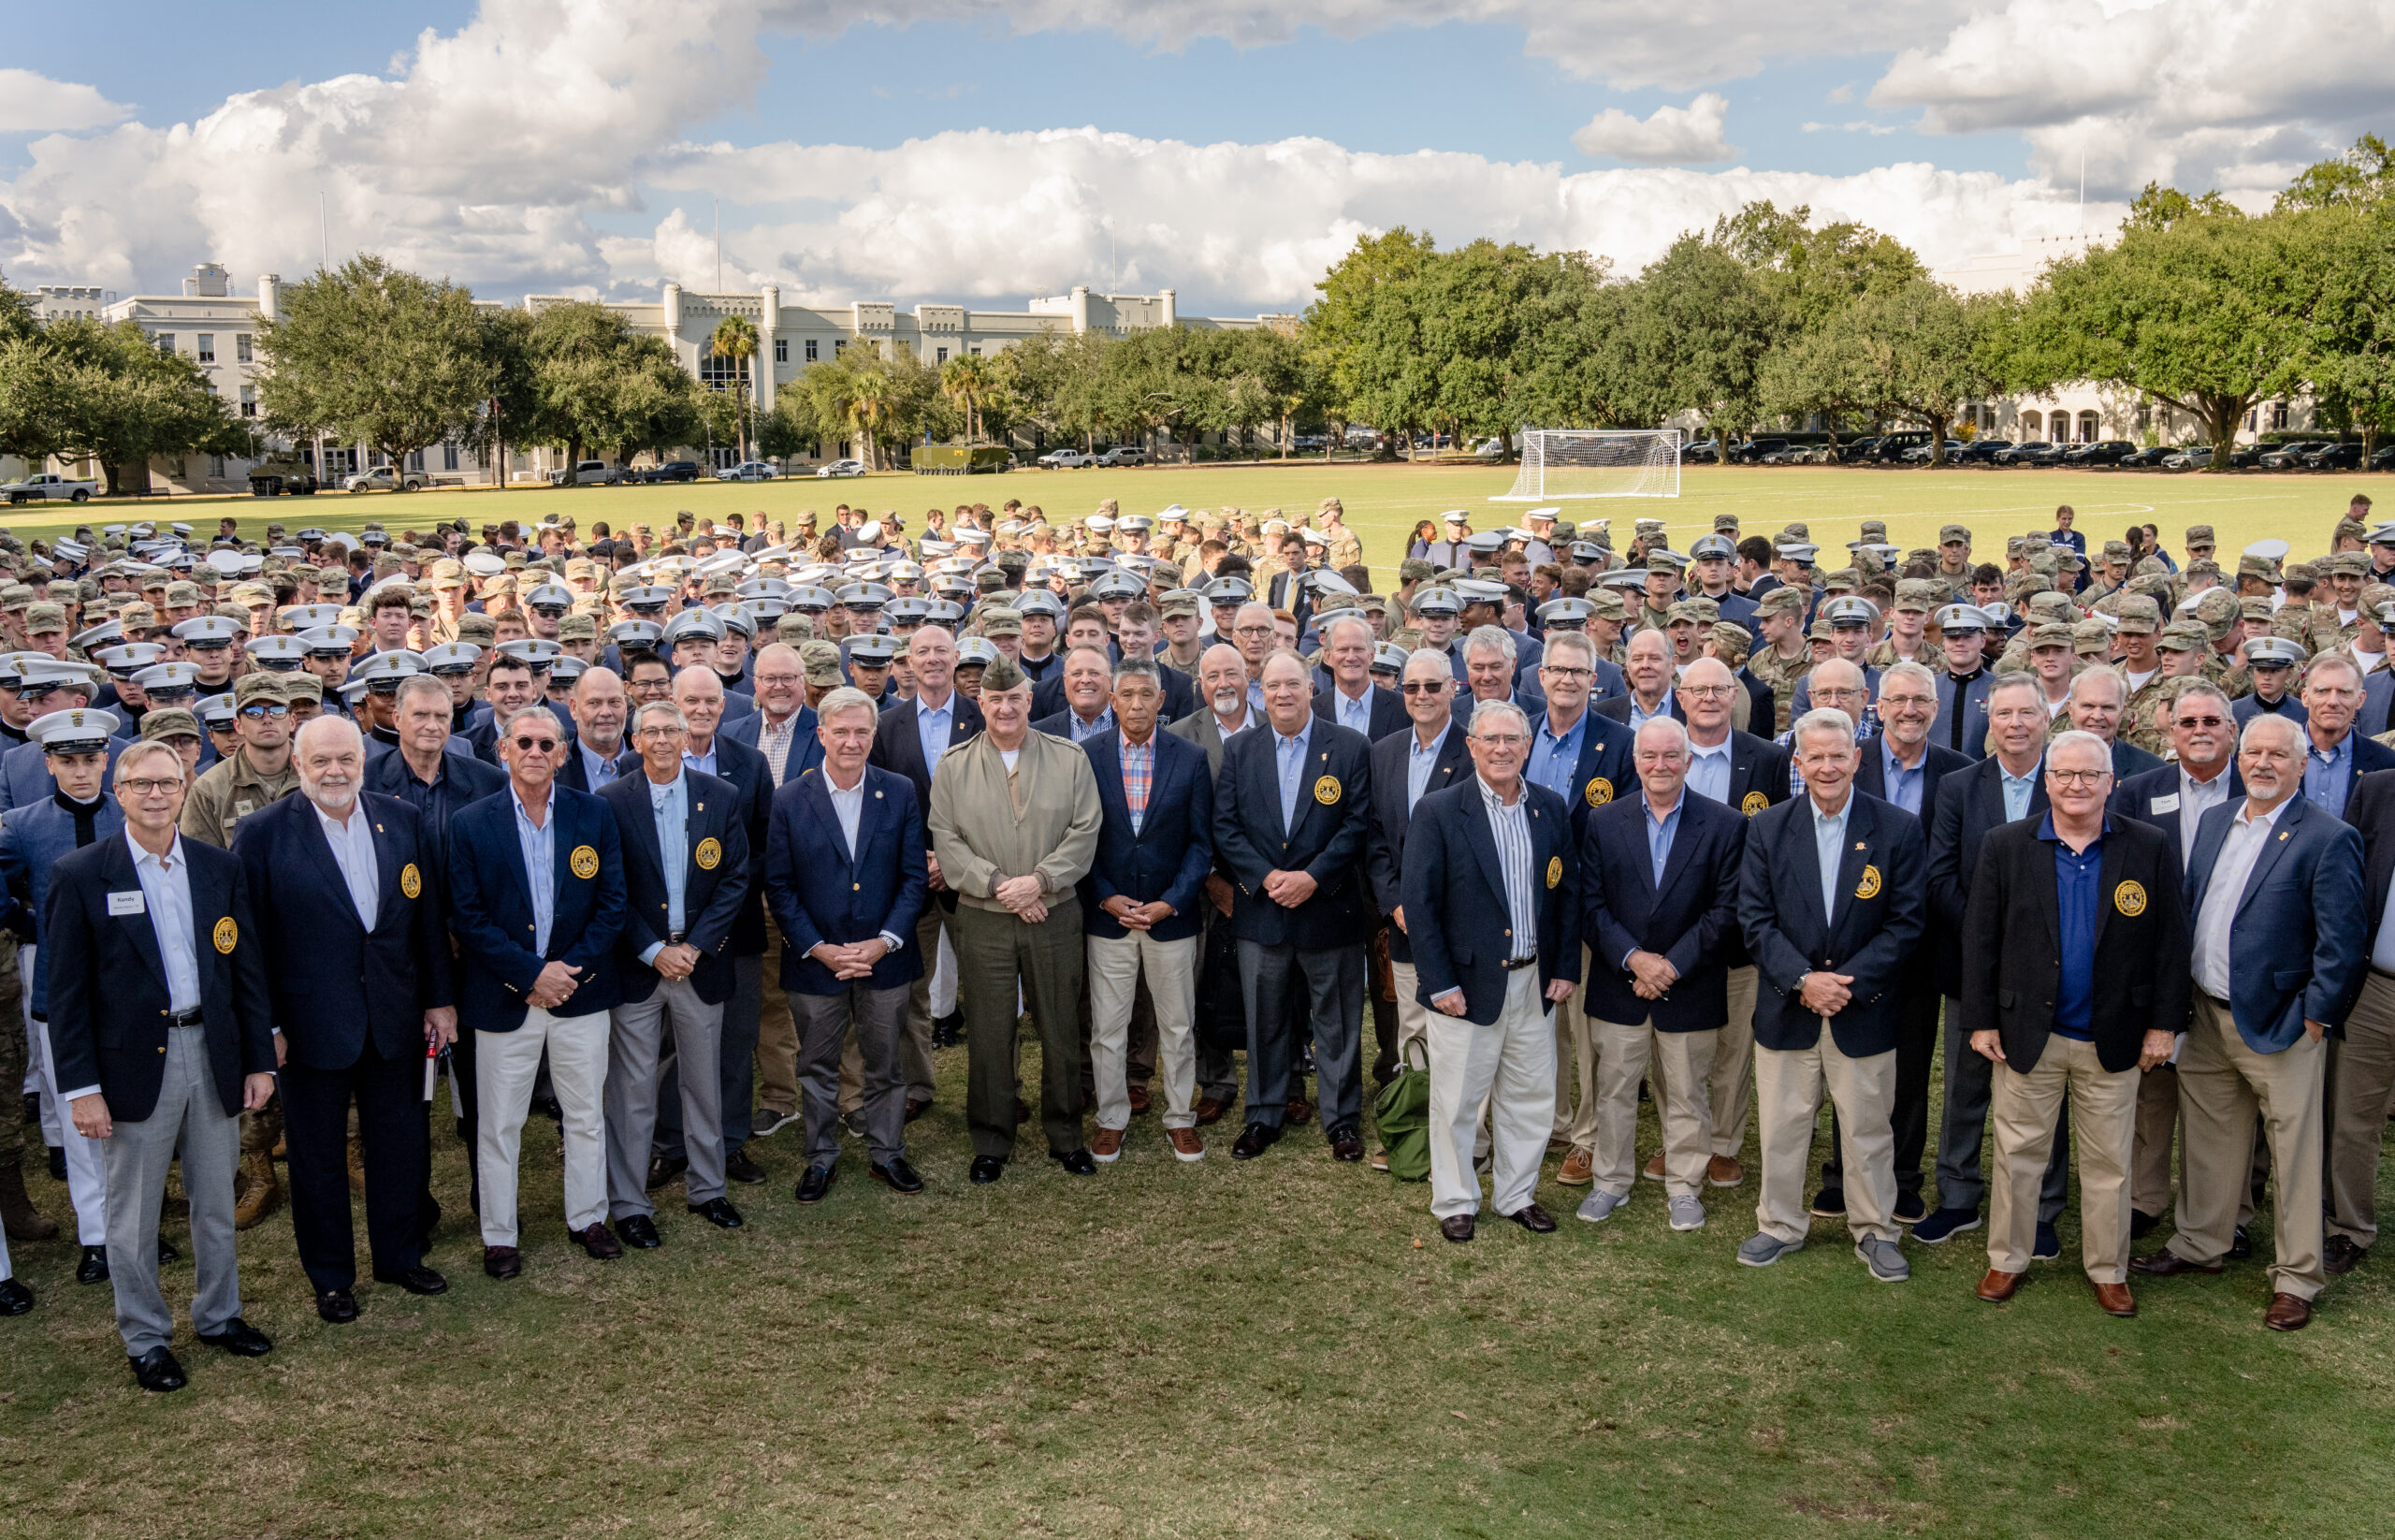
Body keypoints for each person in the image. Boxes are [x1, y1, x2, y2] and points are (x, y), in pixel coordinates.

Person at [46, 738, 276, 1391]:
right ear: (119, 793)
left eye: (166, 783)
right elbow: (65, 998)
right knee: (134, 1213)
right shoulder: (81, 874)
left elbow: (244, 971)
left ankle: (220, 1315)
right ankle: (146, 1337)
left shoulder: (215, 868)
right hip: (131, 1067)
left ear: (185, 788)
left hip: (212, 1052)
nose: (154, 794)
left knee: (214, 1198)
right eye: (140, 784)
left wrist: (258, 1059)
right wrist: (83, 1090)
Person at [2136, 713, 2366, 1331]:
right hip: (2208, 1015)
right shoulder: (2216, 822)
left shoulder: (2327, 836)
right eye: (2254, 753)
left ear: (2299, 766)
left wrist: (2317, 1016)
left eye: (2277, 755)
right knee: (2209, 1143)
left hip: (2283, 1024)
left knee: (2294, 1157)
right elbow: (2191, 912)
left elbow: (2342, 943)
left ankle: (2297, 1279)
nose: (2262, 763)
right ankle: (2200, 1245)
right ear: (2240, 759)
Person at [232, 716, 455, 1323]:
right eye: (321, 761)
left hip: (394, 1020)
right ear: (299, 765)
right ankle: (331, 1277)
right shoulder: (262, 834)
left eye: (346, 760)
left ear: (363, 761)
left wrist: (439, 999)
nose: (335, 771)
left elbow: (427, 920)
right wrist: (267, 1026)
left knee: (399, 1147)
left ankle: (399, 1255)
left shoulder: (401, 820)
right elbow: (249, 946)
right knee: (318, 1159)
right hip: (309, 1029)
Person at [1962, 730, 2189, 1315]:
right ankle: (2006, 1259)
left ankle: (2108, 1270)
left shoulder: (2150, 846)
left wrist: (2164, 1026)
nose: (2077, 785)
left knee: (2111, 1163)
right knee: (2018, 1155)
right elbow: (1980, 940)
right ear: (2047, 780)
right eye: (2064, 774)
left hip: (2113, 1035)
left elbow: (2171, 944)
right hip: (2026, 1036)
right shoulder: (2005, 845)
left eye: (2090, 775)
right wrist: (1982, 1019)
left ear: (2110, 782)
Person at [1735, 706, 1927, 1282]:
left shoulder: (1896, 828)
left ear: (1857, 759)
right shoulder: (1767, 827)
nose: (1826, 766)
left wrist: (1845, 985)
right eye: (1814, 756)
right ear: (1798, 762)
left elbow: (1907, 923)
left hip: (1861, 1007)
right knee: (1783, 1125)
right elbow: (1754, 920)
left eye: (1837, 755)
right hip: (1787, 1006)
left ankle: (1874, 1230)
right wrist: (1802, 981)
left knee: (1868, 1127)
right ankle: (1779, 1225)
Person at [445, 705, 627, 1279]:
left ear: (563, 754)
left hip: (580, 992)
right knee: (499, 1123)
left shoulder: (594, 816)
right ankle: (499, 1234)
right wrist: (530, 975)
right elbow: (467, 917)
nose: (535, 752)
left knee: (585, 1114)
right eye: (523, 741)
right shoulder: (472, 823)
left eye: (547, 744)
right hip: (506, 999)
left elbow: (612, 904)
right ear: (502, 750)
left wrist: (567, 971)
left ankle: (588, 1217)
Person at [1401, 699, 1577, 1242]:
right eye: (1490, 740)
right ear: (1472, 746)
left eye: (1512, 741)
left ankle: (1516, 1194)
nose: (1502, 750)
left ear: (1527, 747)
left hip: (1533, 979)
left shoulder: (1549, 807)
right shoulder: (1438, 810)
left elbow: (1566, 894)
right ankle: (1455, 1199)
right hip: (1466, 983)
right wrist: (1439, 982)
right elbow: (1420, 904)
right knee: (1457, 1099)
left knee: (1530, 1094)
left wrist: (1565, 966)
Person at [927, 657, 1103, 1184]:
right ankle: (991, 1139)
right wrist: (1002, 886)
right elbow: (946, 839)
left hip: (1054, 914)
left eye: (1015, 699)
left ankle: (1066, 1135)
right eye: (994, 700)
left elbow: (1085, 830)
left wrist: (1041, 882)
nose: (1005, 708)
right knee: (989, 1030)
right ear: (980, 704)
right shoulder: (953, 766)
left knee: (1059, 1026)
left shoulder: (1069, 758)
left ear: (1030, 702)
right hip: (984, 918)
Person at [1575, 717, 1745, 1230]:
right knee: (1614, 1088)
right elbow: (1591, 904)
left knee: (1688, 1092)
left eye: (1672, 755)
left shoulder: (1725, 824)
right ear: (1635, 761)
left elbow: (1727, 909)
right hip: (1618, 980)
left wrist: (1670, 965)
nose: (1660, 765)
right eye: (1650, 756)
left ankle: (1685, 1186)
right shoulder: (1604, 821)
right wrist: (1634, 959)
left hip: (1689, 983)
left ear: (1689, 760)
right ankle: (1610, 1181)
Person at [1920, 674, 2069, 1248]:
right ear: (1990, 721)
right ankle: (1958, 1196)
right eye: (2003, 713)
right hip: (1971, 965)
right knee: (1964, 1085)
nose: (2014, 724)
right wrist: (1990, 943)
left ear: (2044, 719)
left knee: (2041, 1087)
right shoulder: (1958, 787)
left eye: (2026, 713)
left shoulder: (2068, 782)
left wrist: (2032, 951)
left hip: (2048, 973)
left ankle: (2041, 1208)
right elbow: (1939, 877)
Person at [597, 700, 752, 1246]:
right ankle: (630, 1201)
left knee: (703, 1083)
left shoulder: (722, 797)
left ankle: (708, 1190)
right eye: (651, 731)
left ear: (688, 738)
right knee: (632, 1088)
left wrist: (698, 947)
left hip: (698, 965)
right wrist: (651, 949)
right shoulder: (611, 802)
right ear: (635, 741)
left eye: (671, 730)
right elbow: (609, 890)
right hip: (639, 968)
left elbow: (736, 877)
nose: (662, 739)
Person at [1212, 650, 1374, 1163]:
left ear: (1311, 687)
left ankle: (1342, 1119)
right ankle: (1263, 1113)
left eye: (1293, 684)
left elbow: (1358, 822)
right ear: (1261, 693)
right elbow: (1226, 827)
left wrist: (1312, 877)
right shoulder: (1240, 750)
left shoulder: (1349, 747)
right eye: (1273, 686)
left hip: (1328, 907)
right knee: (1264, 1020)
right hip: (1263, 912)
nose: (1283, 694)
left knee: (1338, 1021)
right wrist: (1266, 877)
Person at [768, 688, 928, 1199]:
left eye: (862, 731)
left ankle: (888, 1153)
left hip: (884, 960)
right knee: (816, 1066)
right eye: (841, 731)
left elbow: (912, 879)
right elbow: (780, 885)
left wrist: (884, 943)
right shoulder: (790, 798)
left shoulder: (899, 791)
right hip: (817, 963)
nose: (852, 741)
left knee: (886, 1063)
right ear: (822, 735)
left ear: (873, 735)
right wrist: (817, 947)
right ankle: (820, 1157)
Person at [2112, 680, 2241, 1234]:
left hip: (2227, 967)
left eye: (2212, 722)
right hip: (2152, 960)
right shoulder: (2140, 790)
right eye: (2188, 722)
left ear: (2232, 730)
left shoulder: (2254, 789)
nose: (2200, 732)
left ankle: (2229, 1208)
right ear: (2170, 729)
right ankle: (2145, 1197)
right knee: (2152, 1086)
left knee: (2227, 1100)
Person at [0, 708, 123, 1277]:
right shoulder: (24, 824)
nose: (81, 773)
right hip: (60, 992)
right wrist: (24, 922)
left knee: (129, 1117)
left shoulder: (131, 812)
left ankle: (133, 1227)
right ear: (48, 764)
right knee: (82, 1117)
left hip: (130, 989)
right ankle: (96, 1237)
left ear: (107, 760)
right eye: (68, 762)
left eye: (91, 760)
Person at [1079, 659, 1214, 1160]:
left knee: (1178, 1025)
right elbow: (1079, 839)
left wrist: (1171, 902)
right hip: (1108, 916)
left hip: (1169, 918)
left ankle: (1180, 1115)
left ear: (1162, 701)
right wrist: (1105, 895)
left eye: (1146, 695)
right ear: (1112, 701)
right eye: (1127, 695)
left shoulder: (1191, 758)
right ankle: (1111, 1116)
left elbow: (1202, 844)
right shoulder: (1086, 756)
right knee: (1108, 1028)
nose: (1136, 705)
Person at [870, 632, 984, 1068]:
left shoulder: (984, 716)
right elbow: (880, 806)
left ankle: (997, 1090)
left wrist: (951, 858)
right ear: (908, 664)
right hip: (910, 878)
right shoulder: (886, 725)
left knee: (986, 993)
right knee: (909, 992)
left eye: (942, 651)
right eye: (923, 652)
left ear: (957, 659)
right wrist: (922, 859)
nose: (933, 659)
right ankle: (915, 1084)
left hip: (973, 878)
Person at [2331, 763, 2395, 1274]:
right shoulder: (2378, 789)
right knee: (2353, 1117)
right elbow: (2346, 882)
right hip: (2377, 988)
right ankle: (2347, 1228)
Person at [2297, 652, 2395, 817]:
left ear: (2360, 699)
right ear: (2305, 698)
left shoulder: (2386, 762)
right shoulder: (2275, 753)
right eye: (2322, 691)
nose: (2333, 701)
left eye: (2344, 692)